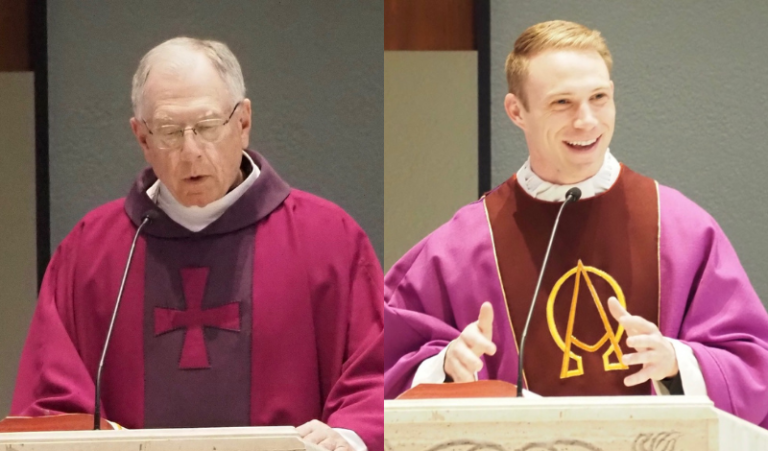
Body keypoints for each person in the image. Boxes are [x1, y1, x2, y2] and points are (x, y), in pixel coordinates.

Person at [384, 20, 768, 428]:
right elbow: (378, 365)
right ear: (517, 111)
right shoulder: (461, 247)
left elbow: (752, 366)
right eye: (562, 103)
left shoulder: (680, 229)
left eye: (598, 97)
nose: (586, 121)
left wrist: (679, 363)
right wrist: (444, 368)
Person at [12, 37, 383, 451]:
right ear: (142, 138)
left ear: (242, 123)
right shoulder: (89, 254)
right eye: (169, 132)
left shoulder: (329, 241)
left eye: (207, 127)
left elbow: (371, 378)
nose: (191, 153)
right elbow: (51, 406)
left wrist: (348, 436)